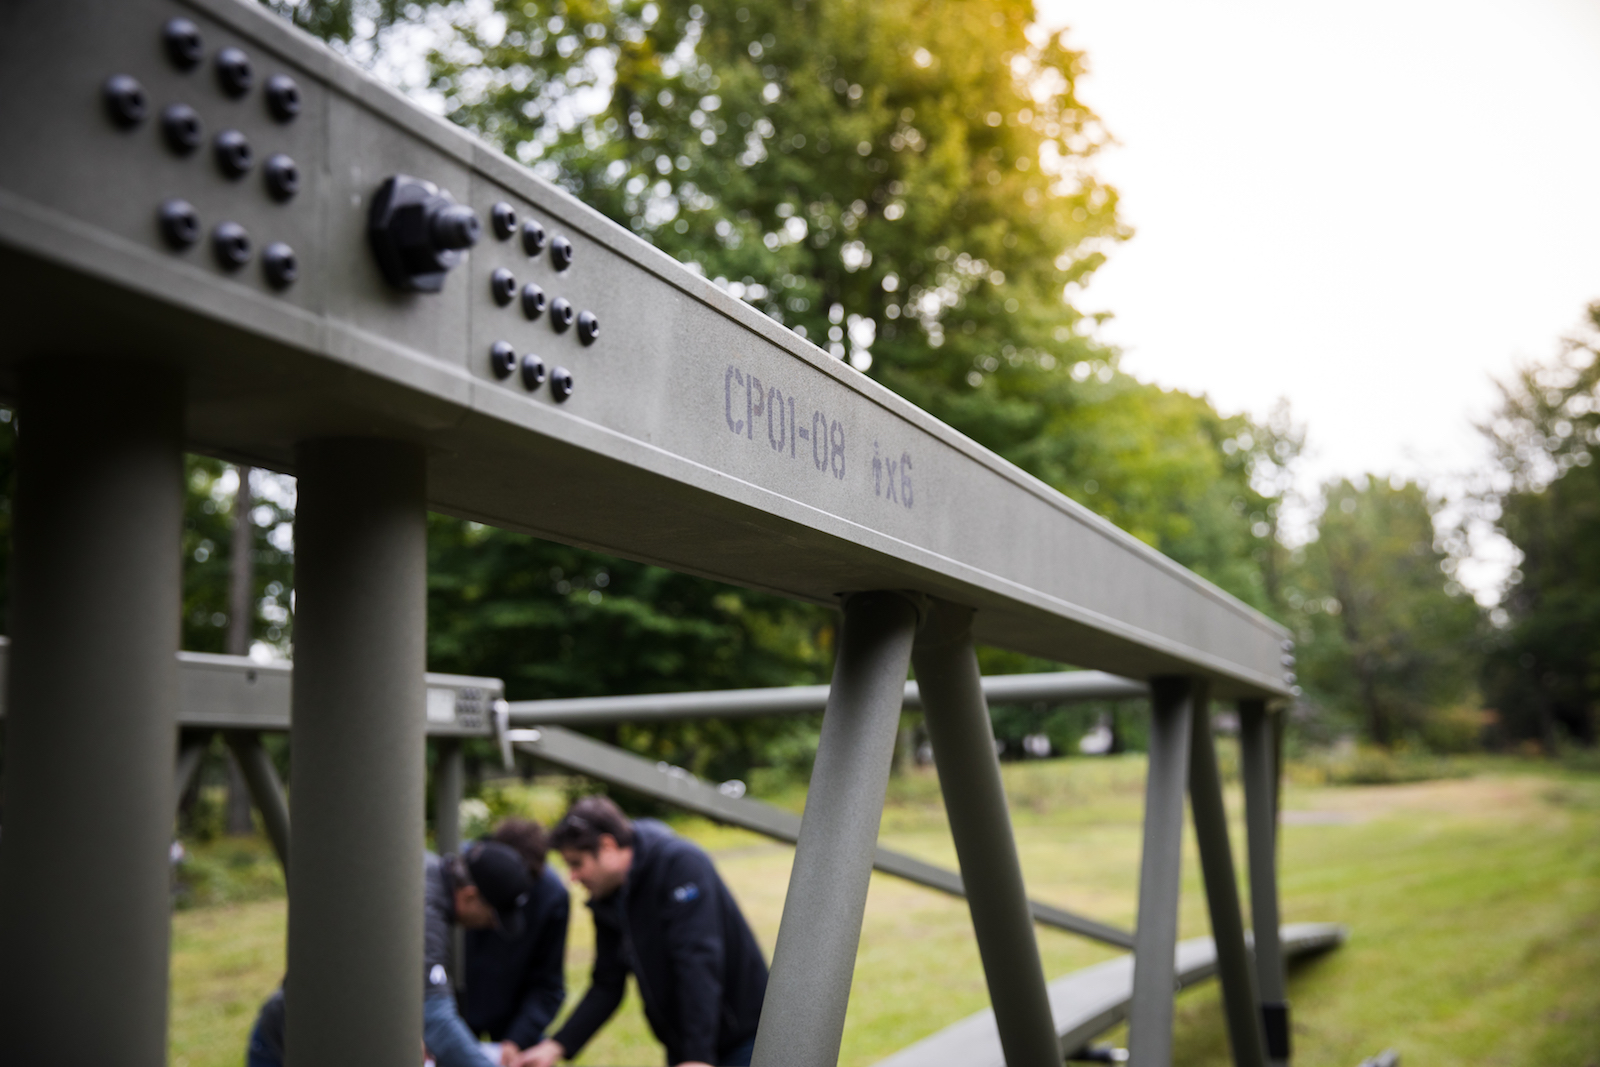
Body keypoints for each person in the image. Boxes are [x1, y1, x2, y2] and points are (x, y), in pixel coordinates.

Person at [519, 796, 768, 1067]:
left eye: (577, 863)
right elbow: (607, 983)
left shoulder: (680, 864)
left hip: (743, 1040)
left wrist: (698, 1057)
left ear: (607, 846)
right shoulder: (609, 896)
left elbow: (698, 961)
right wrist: (557, 1045)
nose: (572, 877)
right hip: (685, 1046)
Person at [245, 841, 536, 1067]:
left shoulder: (423, 871)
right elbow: (436, 1020)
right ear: (469, 895)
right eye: (492, 916)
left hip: (311, 1033)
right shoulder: (423, 912)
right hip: (289, 1047)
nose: (490, 926)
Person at [461, 819, 570, 1064]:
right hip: (456, 1009)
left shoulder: (552, 896)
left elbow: (549, 984)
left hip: (514, 1019)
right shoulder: (463, 875)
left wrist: (517, 1040)